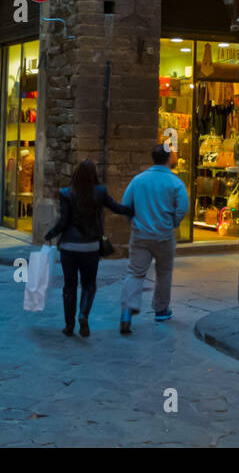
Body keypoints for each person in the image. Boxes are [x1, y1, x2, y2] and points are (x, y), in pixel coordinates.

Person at [43, 160, 133, 337]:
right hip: (90, 247)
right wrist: (134, 209)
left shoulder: (66, 193)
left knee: (69, 286)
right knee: (89, 285)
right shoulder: (100, 192)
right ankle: (83, 315)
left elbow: (63, 222)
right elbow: (117, 208)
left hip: (69, 247)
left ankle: (69, 325)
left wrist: (50, 234)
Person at [118, 143, 189, 335]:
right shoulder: (175, 183)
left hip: (141, 234)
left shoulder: (138, 180)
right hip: (164, 236)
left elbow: (126, 204)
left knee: (135, 272)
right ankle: (161, 310)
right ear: (168, 159)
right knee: (164, 273)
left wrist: (133, 221)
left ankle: (127, 311)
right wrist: (173, 222)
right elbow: (182, 207)